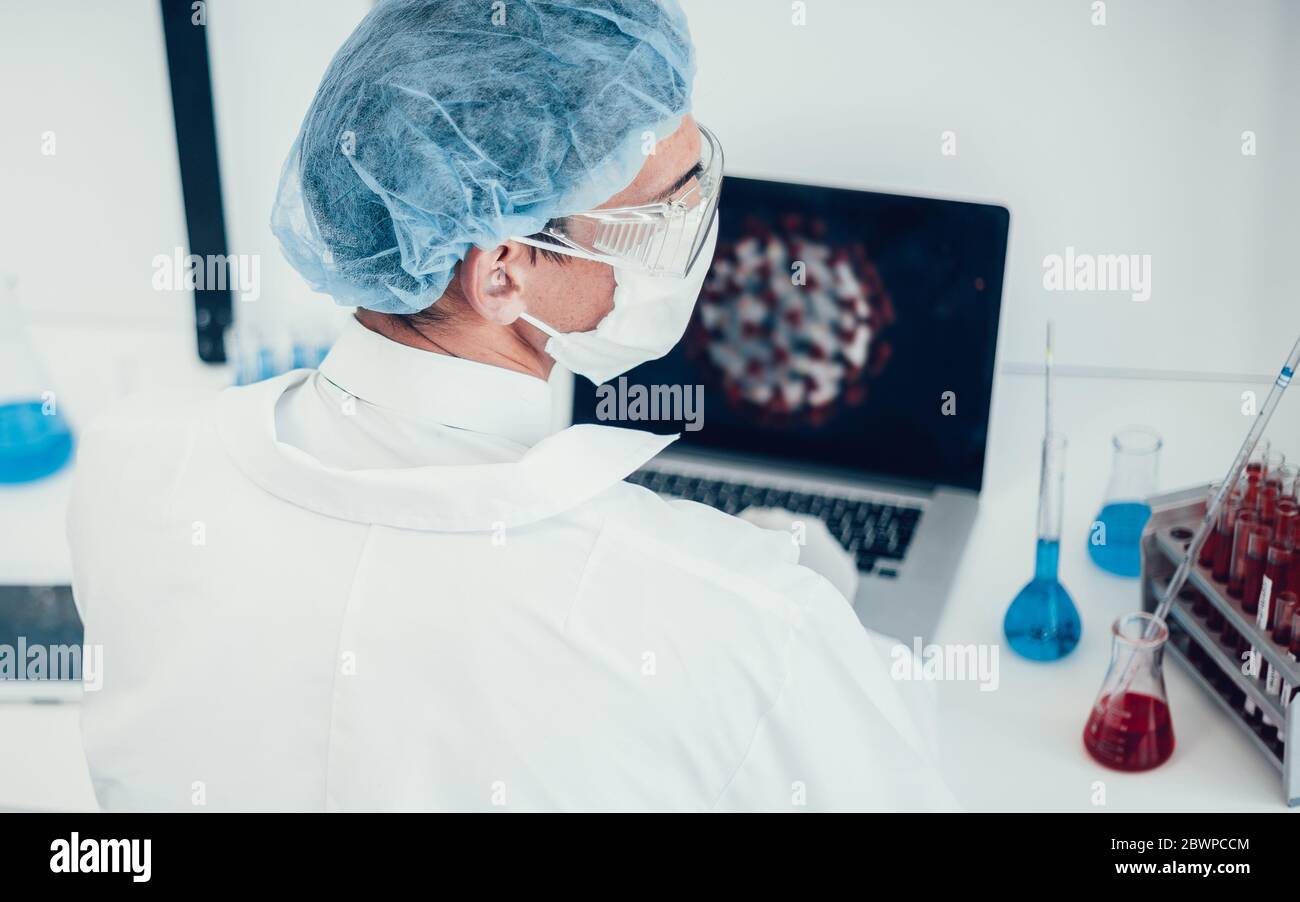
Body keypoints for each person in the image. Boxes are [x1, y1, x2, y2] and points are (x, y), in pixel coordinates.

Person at [67, 0, 954, 811]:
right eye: (668, 209)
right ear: (503, 270)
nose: (701, 231)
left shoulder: (130, 467)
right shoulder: (747, 626)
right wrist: (801, 603)